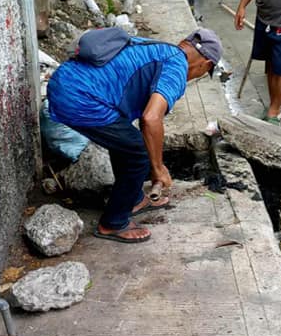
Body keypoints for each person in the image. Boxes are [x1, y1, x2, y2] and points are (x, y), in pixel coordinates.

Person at [47, 27, 222, 243]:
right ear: (206, 65)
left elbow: (143, 119)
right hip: (79, 99)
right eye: (204, 72)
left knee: (127, 142)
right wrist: (158, 168)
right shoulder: (177, 68)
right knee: (139, 154)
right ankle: (113, 223)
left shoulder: (158, 49)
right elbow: (151, 119)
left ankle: (134, 199)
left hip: (64, 82)